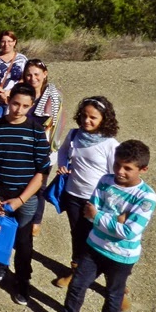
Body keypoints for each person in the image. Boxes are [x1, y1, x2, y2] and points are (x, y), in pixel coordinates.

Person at [37, 140, 156, 312]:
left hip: (121, 255)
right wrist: (117, 219)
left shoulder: (146, 196)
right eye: (117, 164)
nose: (119, 171)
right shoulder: (105, 180)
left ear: (143, 169)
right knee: (77, 285)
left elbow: (129, 232)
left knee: (114, 294)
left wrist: (99, 216)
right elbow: (89, 212)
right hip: (94, 246)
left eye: (127, 168)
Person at [0, 83, 51, 304]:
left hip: (26, 199)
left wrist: (21, 199)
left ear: (31, 106)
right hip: (1, 195)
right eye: (16, 104)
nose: (19, 110)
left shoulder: (36, 131)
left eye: (25, 106)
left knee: (24, 242)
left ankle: (23, 281)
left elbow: (42, 171)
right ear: (8, 101)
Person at [52, 97, 119, 289]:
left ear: (104, 119)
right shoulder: (74, 134)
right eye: (83, 116)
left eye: (93, 117)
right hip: (73, 196)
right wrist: (63, 165)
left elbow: (114, 175)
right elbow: (63, 151)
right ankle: (76, 271)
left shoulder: (110, 144)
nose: (86, 121)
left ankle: (115, 284)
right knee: (78, 235)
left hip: (97, 201)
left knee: (102, 239)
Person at [23, 59, 64, 237]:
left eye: (36, 74)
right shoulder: (22, 93)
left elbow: (53, 124)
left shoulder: (53, 96)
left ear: (44, 74)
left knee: (39, 186)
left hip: (45, 148)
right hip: (23, 148)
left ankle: (36, 220)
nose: (33, 78)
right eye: (29, 75)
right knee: (23, 183)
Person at [0, 30, 28, 121]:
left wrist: (10, 92)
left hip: (14, 99)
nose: (6, 44)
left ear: (14, 42)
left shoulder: (22, 59)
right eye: (3, 41)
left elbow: (24, 78)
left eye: (9, 41)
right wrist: (1, 92)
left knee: (10, 123)